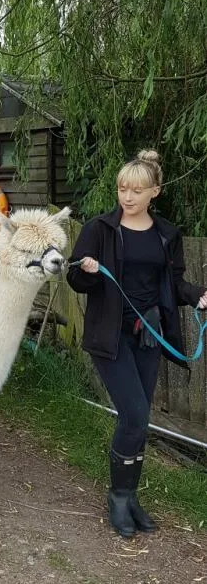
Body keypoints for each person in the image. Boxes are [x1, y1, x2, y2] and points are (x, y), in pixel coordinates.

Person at [67, 149, 207, 538]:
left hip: (148, 334)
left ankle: (130, 498)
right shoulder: (99, 229)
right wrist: (89, 272)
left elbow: (174, 283)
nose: (127, 197)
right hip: (109, 337)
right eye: (122, 189)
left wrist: (198, 295)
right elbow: (75, 279)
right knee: (132, 414)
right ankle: (117, 498)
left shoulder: (167, 234)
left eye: (136, 190)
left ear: (155, 192)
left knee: (139, 419)